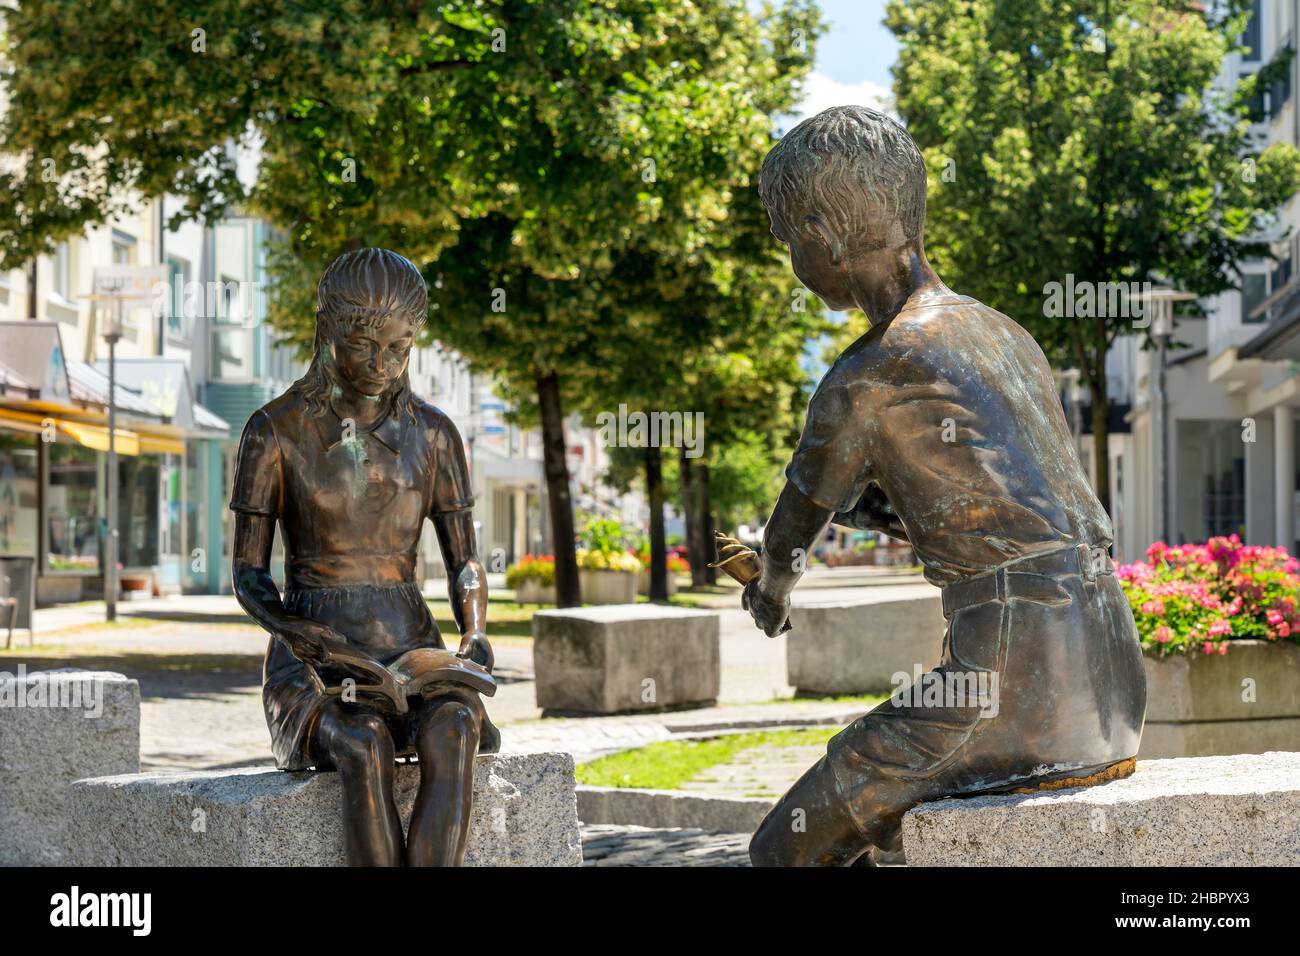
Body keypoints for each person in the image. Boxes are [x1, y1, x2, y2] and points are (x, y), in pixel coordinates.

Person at [743, 106, 1147, 866]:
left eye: (786, 232)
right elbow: (1006, 516)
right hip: (1114, 682)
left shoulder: (868, 374)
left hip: (1013, 690)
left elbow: (790, 535)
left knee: (782, 850)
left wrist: (769, 584)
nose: (786, 249)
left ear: (824, 234)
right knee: (891, 843)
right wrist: (877, 516)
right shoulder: (1004, 335)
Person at [230, 247, 496, 866]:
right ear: (326, 330)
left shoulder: (434, 434)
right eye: (364, 344)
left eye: (399, 348)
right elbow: (248, 574)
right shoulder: (274, 431)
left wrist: (475, 632)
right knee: (363, 740)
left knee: (456, 729)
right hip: (316, 659)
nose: (382, 364)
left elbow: (466, 561)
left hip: (413, 646)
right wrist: (295, 632)